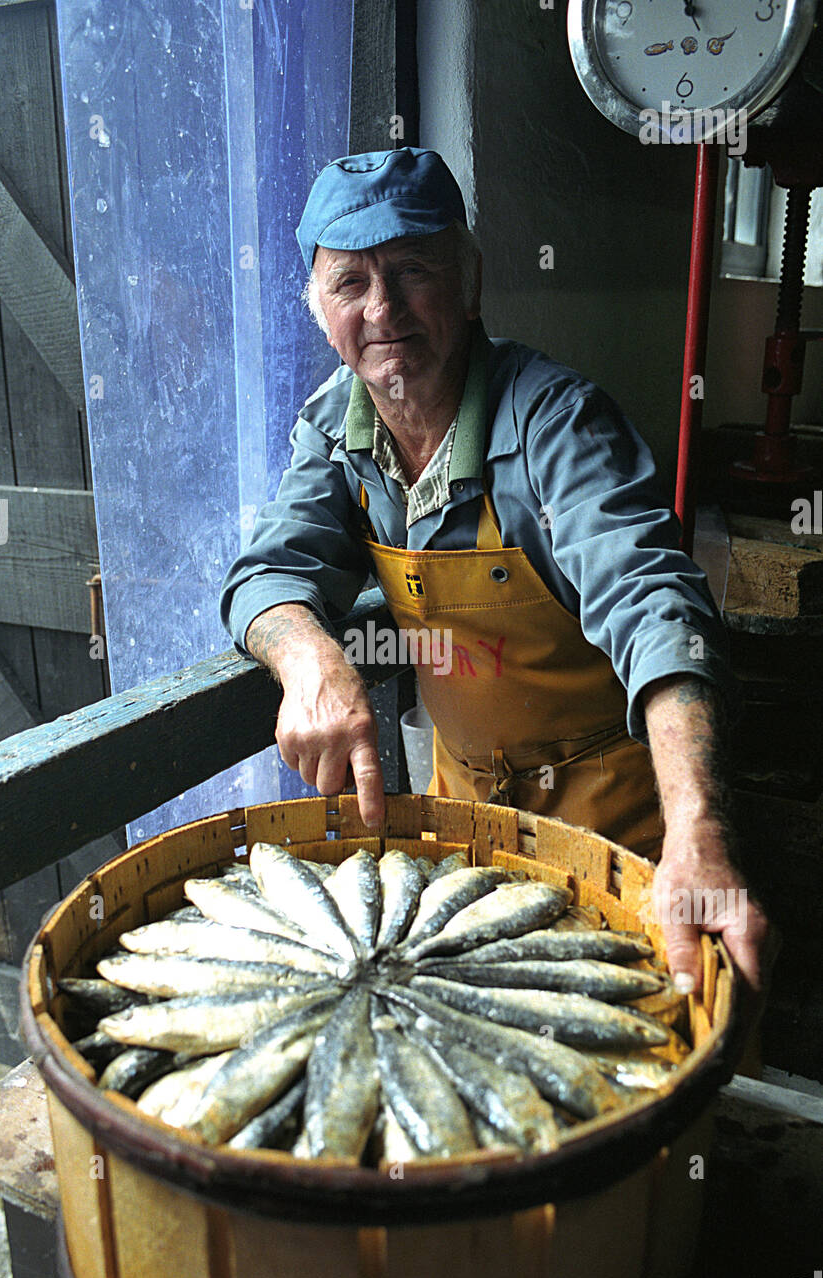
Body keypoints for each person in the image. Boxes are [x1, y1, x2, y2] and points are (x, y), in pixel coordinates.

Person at [220, 147, 771, 1004]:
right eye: (349, 284)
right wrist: (309, 661)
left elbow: (655, 605)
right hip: (466, 834)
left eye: (412, 270)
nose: (383, 309)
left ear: (470, 282)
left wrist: (696, 829)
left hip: (624, 833)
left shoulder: (557, 423)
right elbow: (266, 571)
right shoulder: (335, 427)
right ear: (316, 307)